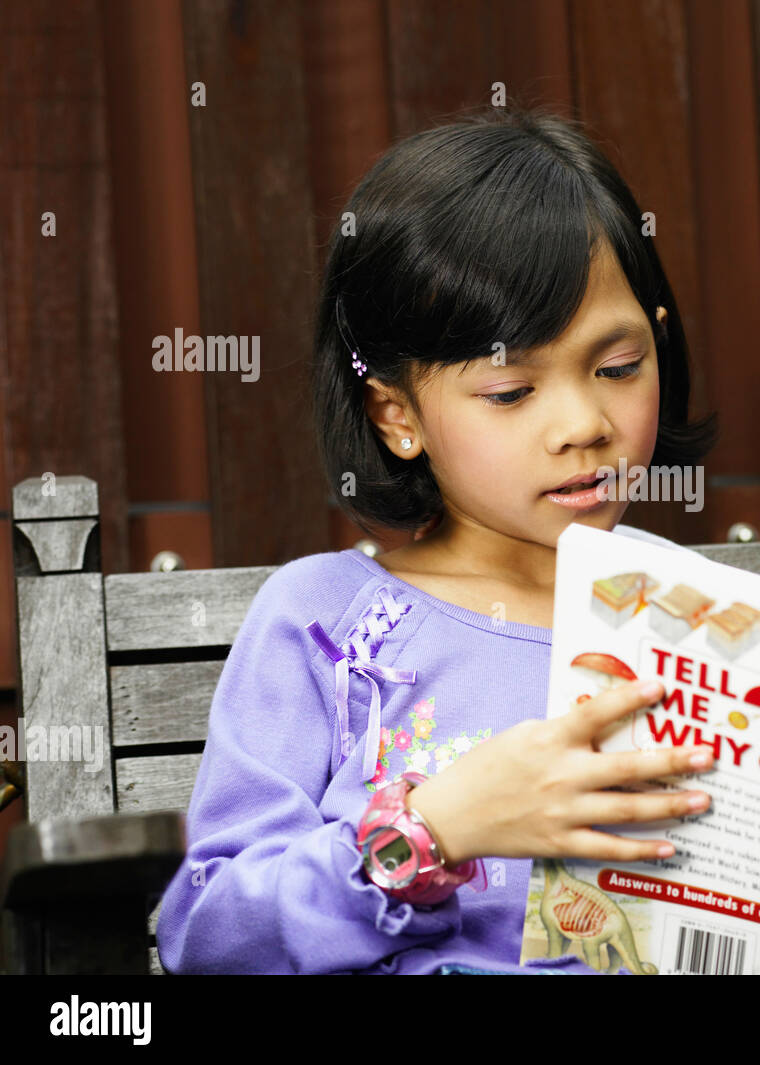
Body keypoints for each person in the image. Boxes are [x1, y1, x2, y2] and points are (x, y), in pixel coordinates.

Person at [155, 108, 718, 974]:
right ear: (398, 414)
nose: (584, 424)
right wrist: (434, 827)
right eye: (510, 389)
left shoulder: (704, 617)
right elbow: (208, 935)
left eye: (617, 367)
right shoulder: (329, 627)